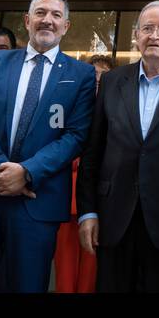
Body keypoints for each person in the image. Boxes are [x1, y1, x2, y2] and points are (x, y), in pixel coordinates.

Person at [0, 0, 96, 292]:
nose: (48, 20)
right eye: (41, 13)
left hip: (37, 203)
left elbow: (75, 136)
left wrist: (26, 172)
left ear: (66, 26)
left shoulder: (81, 75)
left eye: (56, 15)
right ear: (27, 21)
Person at [77, 2, 159, 292]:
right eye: (148, 28)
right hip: (114, 219)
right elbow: (93, 152)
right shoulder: (112, 81)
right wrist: (88, 212)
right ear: (136, 35)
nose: (154, 36)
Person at [53, 54, 113, 293]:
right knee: (65, 273)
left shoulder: (115, 108)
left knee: (92, 272)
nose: (98, 80)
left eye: (104, 76)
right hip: (67, 200)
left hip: (101, 203)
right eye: (94, 74)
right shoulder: (65, 106)